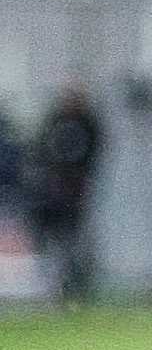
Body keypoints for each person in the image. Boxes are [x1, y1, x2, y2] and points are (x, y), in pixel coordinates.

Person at [32, 84, 105, 302]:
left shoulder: (88, 124)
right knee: (50, 241)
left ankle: (75, 287)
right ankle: (52, 288)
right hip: (52, 196)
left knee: (74, 242)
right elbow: (42, 152)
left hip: (75, 196)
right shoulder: (54, 122)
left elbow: (94, 153)